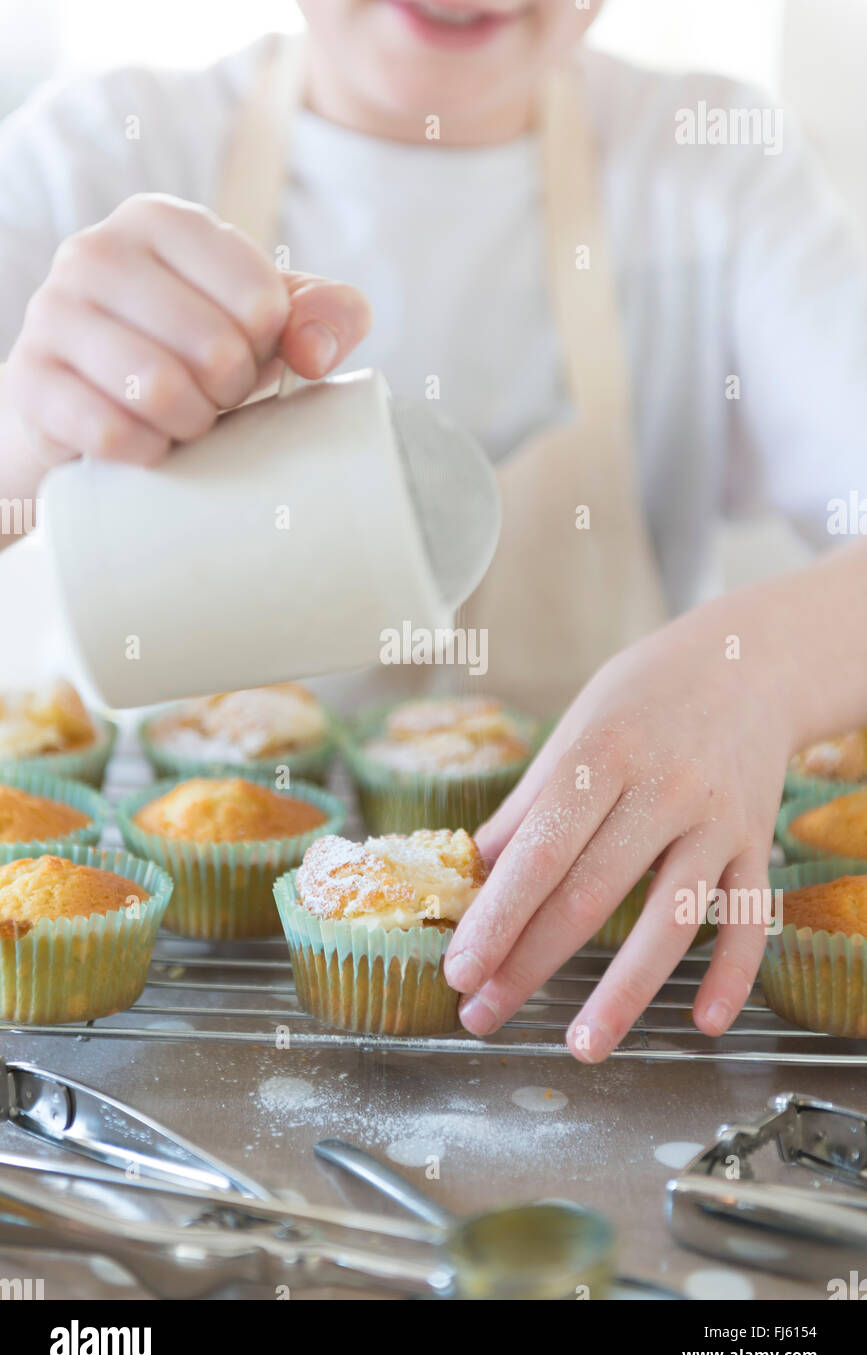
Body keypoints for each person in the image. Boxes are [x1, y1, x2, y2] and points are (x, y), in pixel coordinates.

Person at [0, 0, 865, 1060]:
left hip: (598, 990)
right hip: (147, 1024)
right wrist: (20, 436)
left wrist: (755, 676)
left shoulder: (714, 172)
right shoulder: (93, 151)